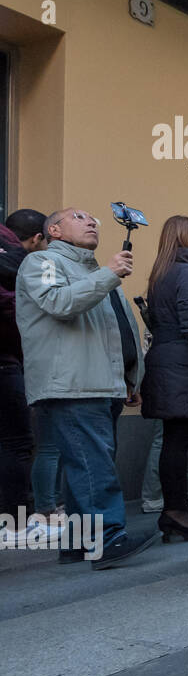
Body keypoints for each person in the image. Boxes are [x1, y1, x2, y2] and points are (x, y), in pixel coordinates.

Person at [16, 206, 154, 568]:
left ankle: (77, 543)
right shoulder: (43, 262)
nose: (92, 221)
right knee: (93, 463)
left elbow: (120, 332)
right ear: (55, 231)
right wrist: (109, 273)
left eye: (93, 218)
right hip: (72, 384)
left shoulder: (98, 273)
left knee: (87, 463)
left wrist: (130, 376)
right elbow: (57, 303)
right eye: (79, 217)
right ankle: (108, 538)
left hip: (102, 384)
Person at [140, 215, 188, 543]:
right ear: (187, 239)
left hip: (169, 361)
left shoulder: (163, 272)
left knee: (175, 439)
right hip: (186, 364)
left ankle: (175, 510)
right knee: (185, 439)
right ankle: (178, 511)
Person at [0, 209, 45, 532]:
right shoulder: (12, 257)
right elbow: (13, 309)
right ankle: (16, 521)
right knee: (17, 441)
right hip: (5, 361)